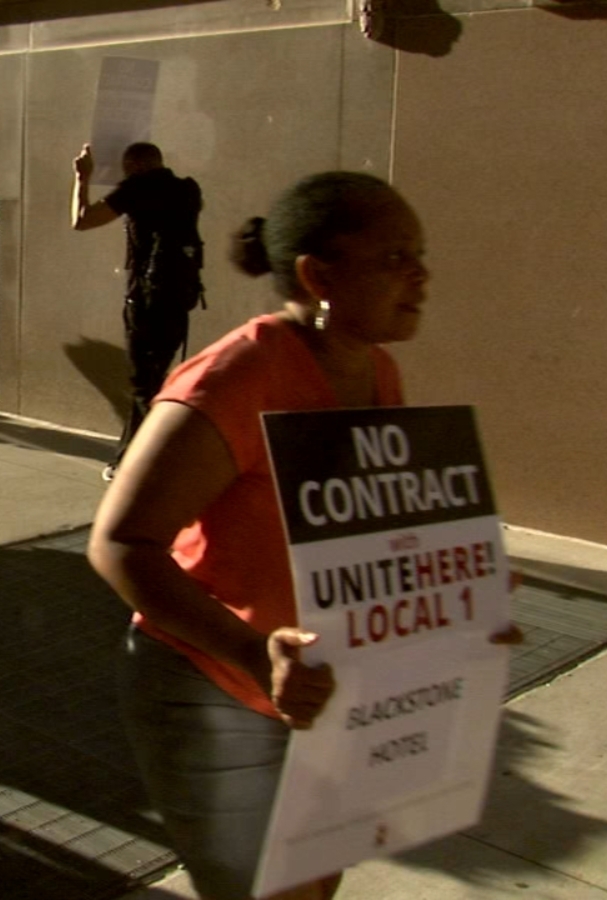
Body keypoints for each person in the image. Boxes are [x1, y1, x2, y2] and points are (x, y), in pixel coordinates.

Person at [88, 172, 521, 900]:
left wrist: (459, 596)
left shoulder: (378, 368)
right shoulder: (236, 377)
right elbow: (119, 544)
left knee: (315, 883)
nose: (421, 273)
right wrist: (253, 654)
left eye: (419, 253)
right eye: (394, 257)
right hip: (213, 690)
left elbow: (368, 532)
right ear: (318, 275)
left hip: (323, 690)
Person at [72, 141, 205, 482]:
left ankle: (147, 459)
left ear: (133, 166)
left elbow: (82, 221)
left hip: (146, 300)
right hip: (180, 297)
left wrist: (82, 178)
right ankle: (135, 455)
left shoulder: (137, 189)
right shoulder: (187, 189)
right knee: (154, 380)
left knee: (144, 385)